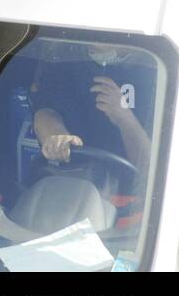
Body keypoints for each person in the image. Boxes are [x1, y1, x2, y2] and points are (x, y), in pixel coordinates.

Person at [31, 43, 155, 190]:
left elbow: (152, 169)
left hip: (127, 194)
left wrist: (124, 118)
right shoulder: (68, 63)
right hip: (68, 180)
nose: (94, 45)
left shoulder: (157, 71)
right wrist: (57, 138)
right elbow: (45, 111)